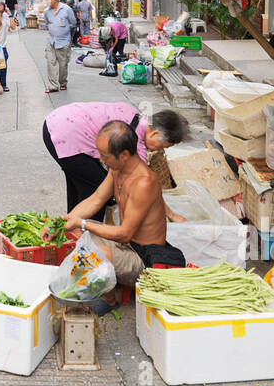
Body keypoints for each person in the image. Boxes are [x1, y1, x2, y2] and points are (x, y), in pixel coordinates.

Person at [49, 120, 188, 314]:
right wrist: (62, 223)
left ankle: (109, 299)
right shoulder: (116, 170)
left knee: (96, 254)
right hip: (127, 244)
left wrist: (83, 223)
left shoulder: (143, 182)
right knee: (74, 232)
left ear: (123, 155)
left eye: (105, 156)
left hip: (144, 258)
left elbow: (124, 233)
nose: (101, 159)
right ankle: (108, 281)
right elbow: (96, 200)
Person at [42, 103, 190, 214]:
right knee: (95, 190)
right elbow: (141, 185)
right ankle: (88, 237)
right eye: (163, 145)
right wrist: (168, 213)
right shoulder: (134, 142)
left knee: (82, 183)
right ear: (154, 134)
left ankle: (72, 229)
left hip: (56, 121)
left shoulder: (132, 113)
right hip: (65, 136)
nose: (160, 150)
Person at [42, 0, 76, 94]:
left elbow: (73, 23)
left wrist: (65, 34)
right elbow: (47, 24)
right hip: (51, 41)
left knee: (63, 64)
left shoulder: (67, 9)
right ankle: (53, 85)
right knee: (50, 63)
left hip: (64, 42)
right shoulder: (47, 11)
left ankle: (63, 82)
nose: (46, 1)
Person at [0, 0, 17, 93]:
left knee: (3, 66)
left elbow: (13, 27)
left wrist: (9, 14)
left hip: (2, 46)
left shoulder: (6, 16)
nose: (0, 13)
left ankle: (3, 84)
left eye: (2, 11)